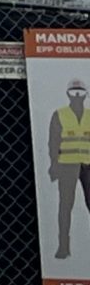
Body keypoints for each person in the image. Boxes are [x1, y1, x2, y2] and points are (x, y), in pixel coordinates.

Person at [52, 77, 90, 261]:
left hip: (89, 166)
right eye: (74, 92)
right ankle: (63, 246)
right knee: (65, 207)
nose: (77, 96)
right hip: (67, 166)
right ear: (68, 94)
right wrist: (54, 165)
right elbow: (53, 142)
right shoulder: (60, 115)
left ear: (85, 95)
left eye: (80, 92)